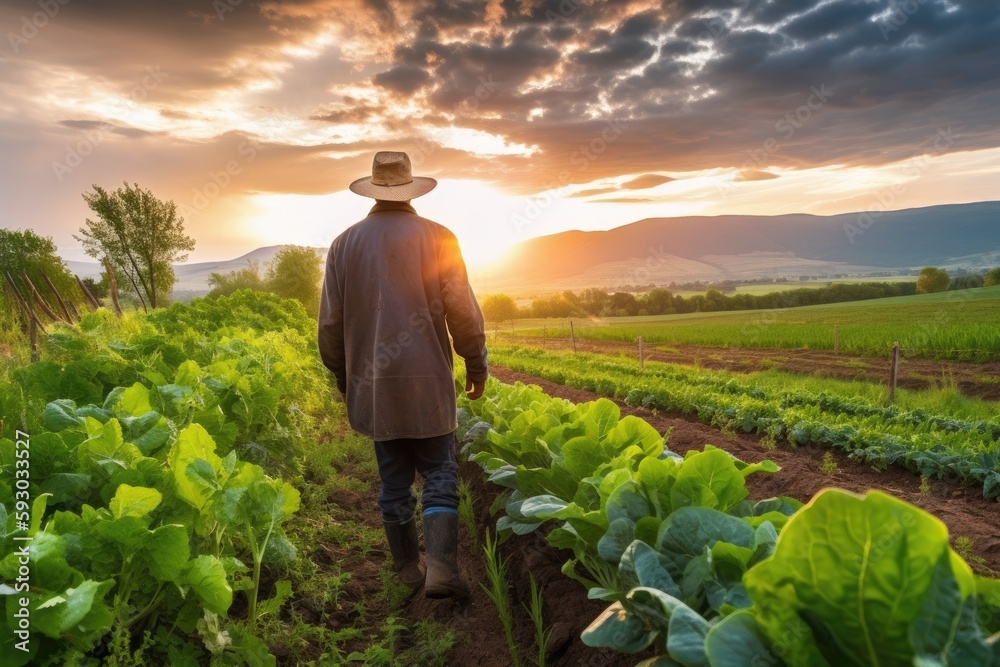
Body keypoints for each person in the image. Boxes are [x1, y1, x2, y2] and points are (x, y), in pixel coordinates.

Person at [318, 151, 488, 600]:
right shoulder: (440, 238)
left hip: (373, 386)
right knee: (439, 472)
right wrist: (476, 364)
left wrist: (344, 378)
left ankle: (408, 570)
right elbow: (464, 313)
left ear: (374, 190)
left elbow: (330, 325)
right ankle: (444, 571)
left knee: (393, 480)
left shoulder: (343, 244)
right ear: (411, 189)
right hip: (429, 381)